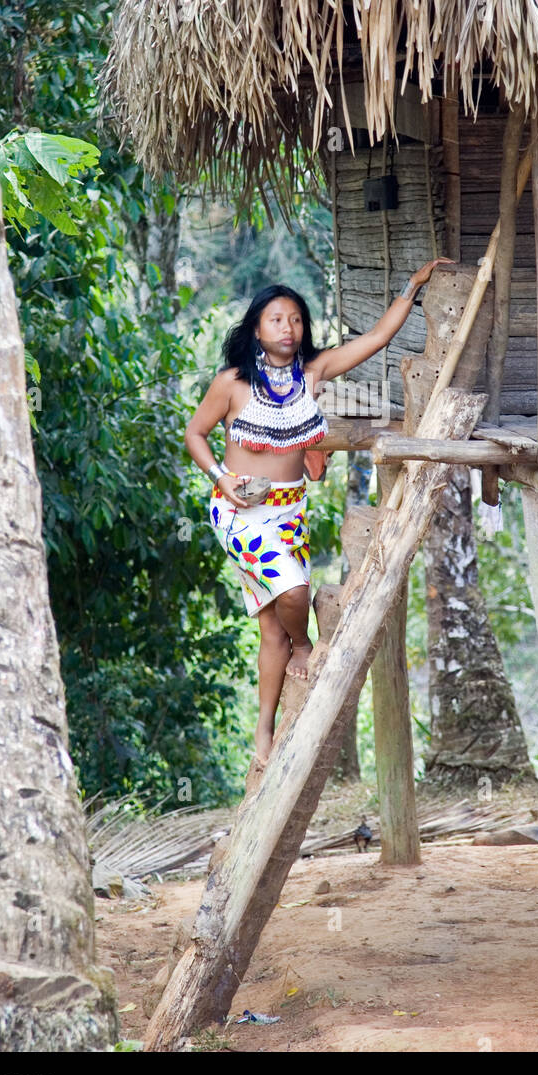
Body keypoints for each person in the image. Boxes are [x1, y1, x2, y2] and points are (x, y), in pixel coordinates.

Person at [184, 258, 452, 767]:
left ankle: (262, 735)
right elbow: (194, 434)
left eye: (296, 319)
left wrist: (412, 289)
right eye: (276, 319)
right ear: (256, 329)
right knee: (295, 592)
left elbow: (374, 339)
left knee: (269, 631)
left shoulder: (313, 373)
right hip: (238, 511)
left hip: (290, 510)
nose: (289, 328)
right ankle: (304, 646)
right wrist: (222, 477)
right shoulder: (233, 383)